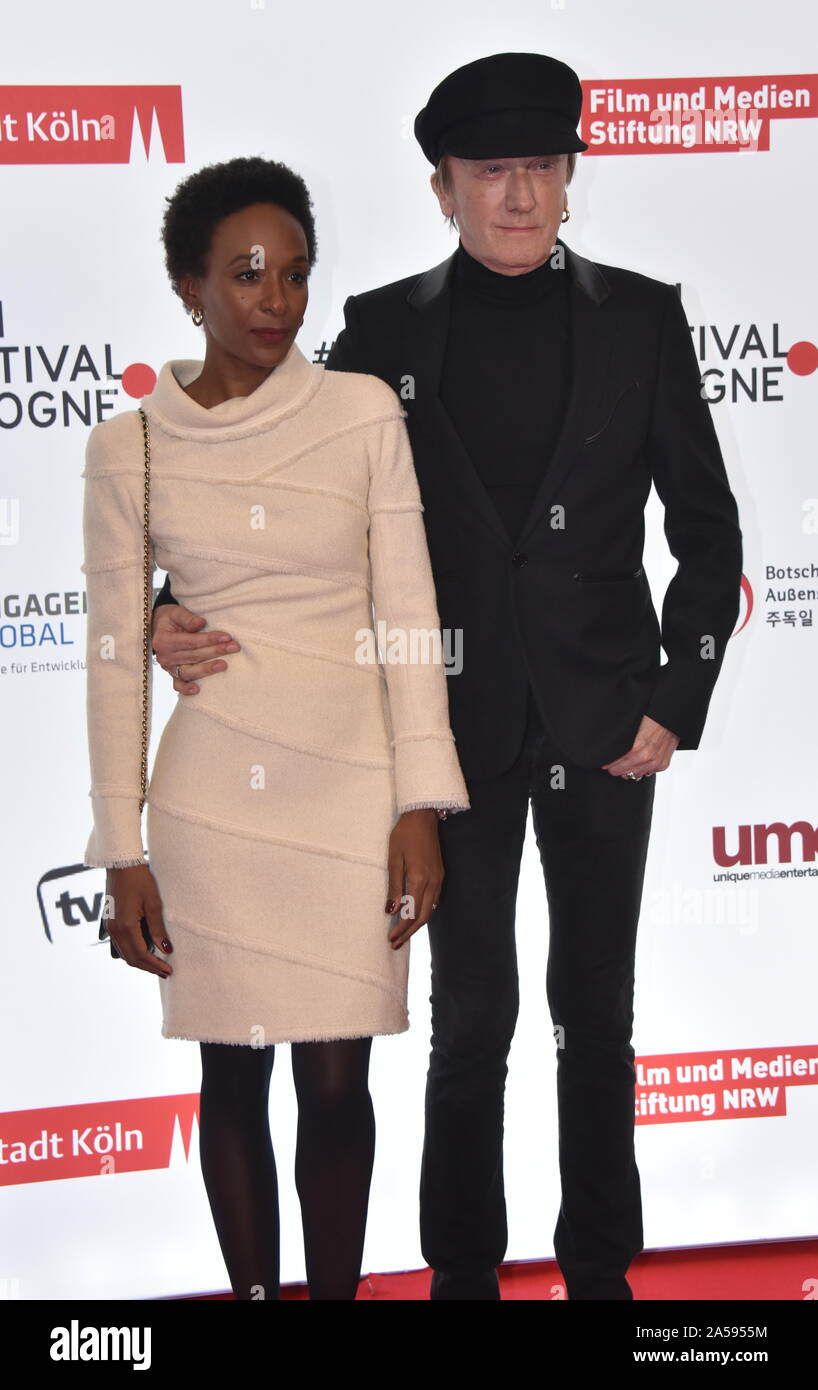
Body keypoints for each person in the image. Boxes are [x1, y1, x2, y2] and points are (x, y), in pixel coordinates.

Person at [151, 54, 743, 1300]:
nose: (516, 194)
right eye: (488, 173)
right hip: (440, 738)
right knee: (469, 1026)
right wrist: (166, 601)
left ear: (570, 179)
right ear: (442, 190)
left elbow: (708, 530)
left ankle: (599, 1274)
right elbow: (281, 504)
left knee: (598, 1020)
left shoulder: (641, 317)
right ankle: (462, 1277)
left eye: (538, 168)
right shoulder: (381, 331)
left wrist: (670, 699)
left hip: (604, 726)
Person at [81, 155, 469, 1301]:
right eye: (245, 274)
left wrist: (418, 801)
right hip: (211, 800)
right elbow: (113, 659)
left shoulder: (359, 413)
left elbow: (408, 615)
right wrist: (121, 850)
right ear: (185, 285)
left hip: (350, 788)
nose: (275, 300)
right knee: (234, 1077)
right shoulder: (129, 449)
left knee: (339, 1089)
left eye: (294, 274)